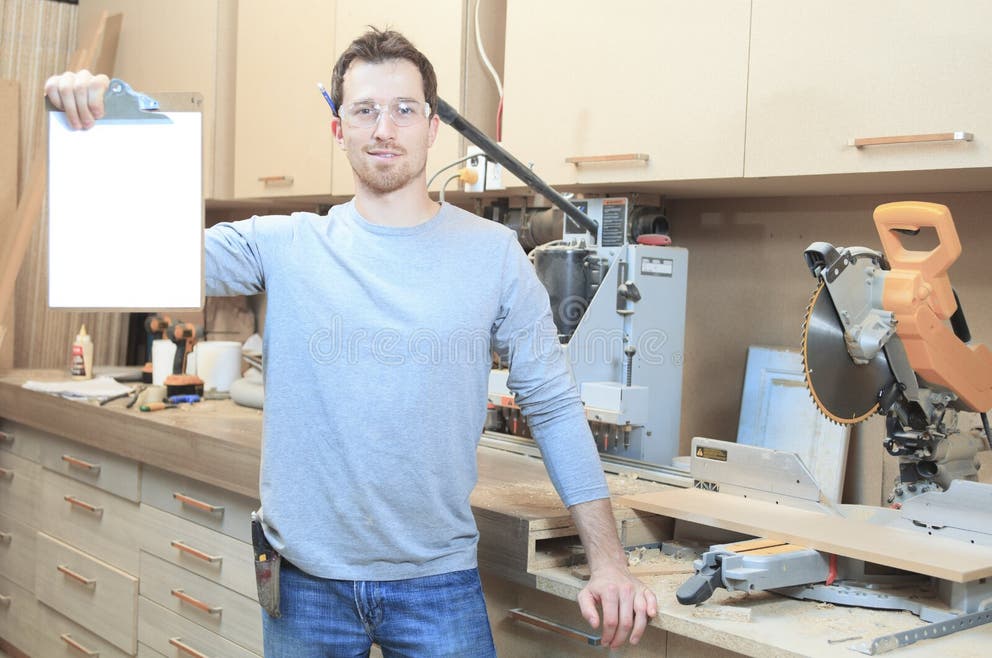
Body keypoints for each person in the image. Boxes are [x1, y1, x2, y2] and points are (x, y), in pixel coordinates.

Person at [46, 27, 657, 657]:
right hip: (306, 582)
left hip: (436, 583)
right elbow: (120, 252)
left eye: (403, 110)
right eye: (364, 110)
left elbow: (554, 406)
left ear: (431, 127)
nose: (384, 128)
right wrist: (102, 128)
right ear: (339, 129)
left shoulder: (494, 254)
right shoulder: (283, 244)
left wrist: (608, 562)